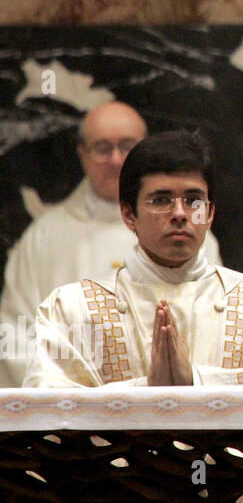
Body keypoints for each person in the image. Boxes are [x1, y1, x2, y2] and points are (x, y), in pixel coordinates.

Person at [24, 131, 243, 387]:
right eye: (161, 200)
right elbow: (50, 411)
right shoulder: (71, 310)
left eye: (194, 200)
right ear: (129, 214)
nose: (180, 214)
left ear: (210, 213)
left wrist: (197, 381)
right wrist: (147, 389)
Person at [0, 102, 222, 386]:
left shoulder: (190, 231)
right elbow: (17, 334)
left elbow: (213, 331)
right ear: (83, 155)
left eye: (128, 146)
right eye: (103, 148)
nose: (117, 160)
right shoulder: (44, 238)